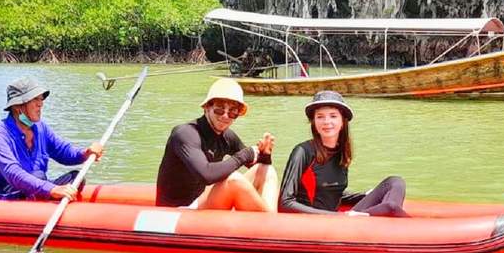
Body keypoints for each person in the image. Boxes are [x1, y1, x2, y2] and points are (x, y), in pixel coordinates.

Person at [278, 91, 410, 217]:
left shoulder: (341, 152)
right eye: (320, 117)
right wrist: (337, 216)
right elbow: (285, 203)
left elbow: (333, 195)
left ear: (342, 122)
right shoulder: (303, 152)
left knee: (395, 182)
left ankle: (372, 216)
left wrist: (363, 196)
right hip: (319, 222)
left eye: (333, 116)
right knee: (391, 208)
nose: (326, 122)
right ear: (313, 122)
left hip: (343, 220)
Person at [155, 78, 279, 211]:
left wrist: (265, 155)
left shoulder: (227, 136)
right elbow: (206, 175)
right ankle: (272, 226)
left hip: (202, 201)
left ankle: (269, 222)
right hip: (178, 211)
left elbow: (253, 163)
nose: (225, 116)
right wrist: (244, 155)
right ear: (207, 107)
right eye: (219, 110)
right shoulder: (185, 134)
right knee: (234, 180)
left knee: (266, 170)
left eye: (232, 112)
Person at [0, 77, 104, 201]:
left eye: (41, 99)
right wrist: (51, 190)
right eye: (34, 100)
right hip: (0, 194)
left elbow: (63, 151)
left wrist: (85, 153)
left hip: (33, 186)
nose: (41, 104)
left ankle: (46, 201)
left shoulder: (40, 128)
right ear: (17, 106)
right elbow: (13, 173)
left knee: (76, 178)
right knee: (38, 176)